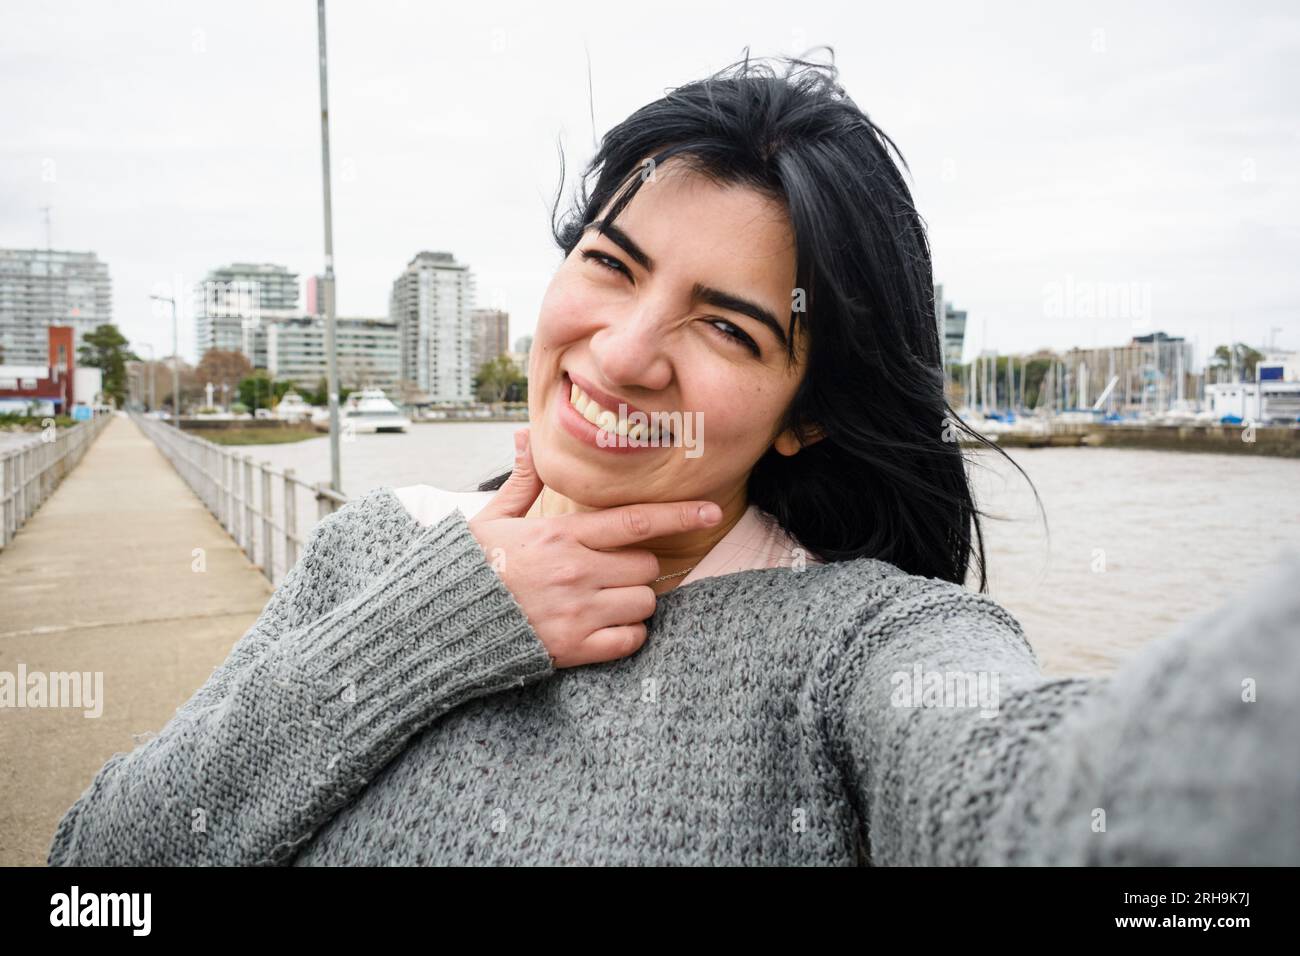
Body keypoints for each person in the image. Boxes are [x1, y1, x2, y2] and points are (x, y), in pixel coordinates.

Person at [48, 50, 1299, 867]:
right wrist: (438, 625)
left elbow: (1025, 791)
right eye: (610, 263)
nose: (626, 350)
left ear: (806, 412)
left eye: (728, 324)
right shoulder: (375, 549)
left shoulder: (860, 644)